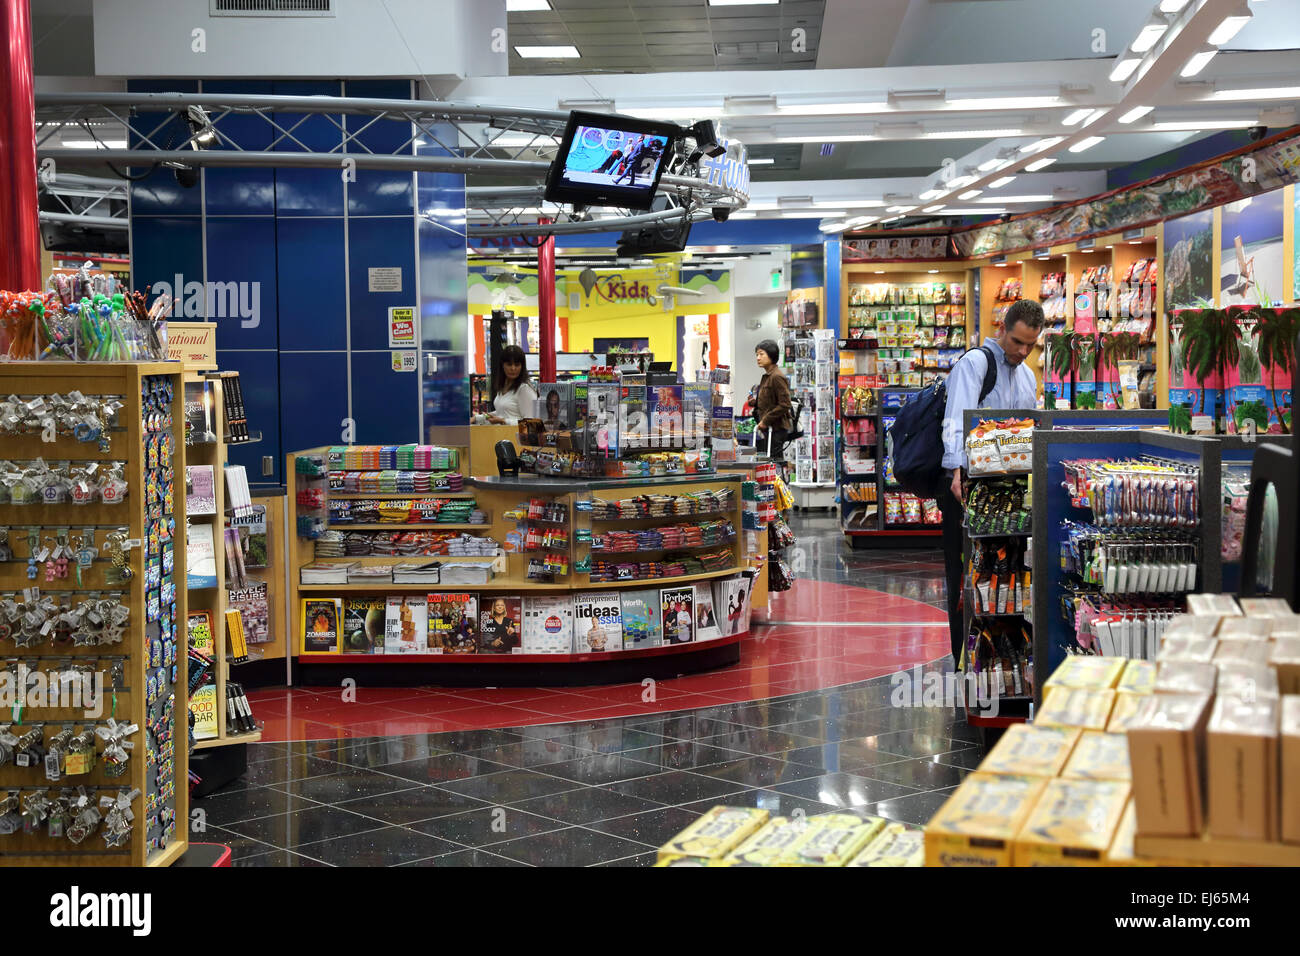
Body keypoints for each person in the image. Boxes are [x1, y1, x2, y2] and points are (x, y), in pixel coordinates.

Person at [939, 298, 1044, 668]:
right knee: (966, 572)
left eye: (1031, 345)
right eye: (1018, 342)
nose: (1023, 351)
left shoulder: (1028, 375)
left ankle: (1007, 655)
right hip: (967, 487)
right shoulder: (976, 364)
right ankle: (964, 657)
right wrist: (956, 470)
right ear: (1002, 329)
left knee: (1009, 570)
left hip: (1012, 495)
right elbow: (956, 420)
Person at [754, 339, 793, 460]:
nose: (758, 358)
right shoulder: (768, 376)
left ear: (771, 354)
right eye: (757, 355)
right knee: (770, 463)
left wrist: (765, 421)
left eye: (761, 354)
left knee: (775, 464)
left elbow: (785, 404)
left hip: (776, 429)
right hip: (771, 429)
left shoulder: (776, 376)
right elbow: (771, 399)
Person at [487, 344, 538, 425]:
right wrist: (481, 417)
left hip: (516, 437)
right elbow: (504, 412)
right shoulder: (503, 386)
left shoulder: (524, 389)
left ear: (522, 367)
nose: (513, 368)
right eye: (509, 364)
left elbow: (532, 423)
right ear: (502, 365)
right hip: (501, 435)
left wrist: (503, 421)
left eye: (517, 365)